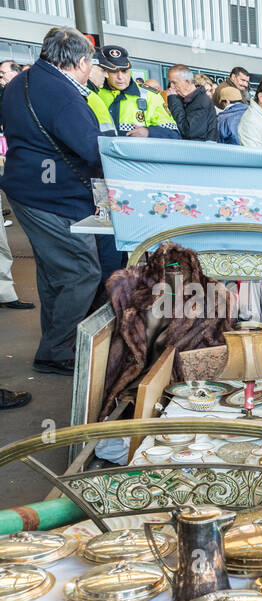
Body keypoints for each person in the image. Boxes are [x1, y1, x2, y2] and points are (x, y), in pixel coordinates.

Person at [0, 27, 103, 380]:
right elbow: (92, 149)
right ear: (81, 61)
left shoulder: (22, 81)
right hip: (52, 195)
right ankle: (57, 350)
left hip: (26, 188)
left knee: (54, 272)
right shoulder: (62, 93)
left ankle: (55, 344)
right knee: (81, 270)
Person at [91, 46, 178, 139]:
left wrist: (149, 132)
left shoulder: (150, 95)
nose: (120, 77)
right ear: (105, 71)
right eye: (114, 71)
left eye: (124, 71)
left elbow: (174, 134)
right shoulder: (94, 92)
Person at [165, 64, 217, 142]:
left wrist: (174, 100)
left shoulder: (201, 101)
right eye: (170, 82)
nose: (171, 86)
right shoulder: (189, 99)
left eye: (174, 83)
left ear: (187, 82)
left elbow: (188, 132)